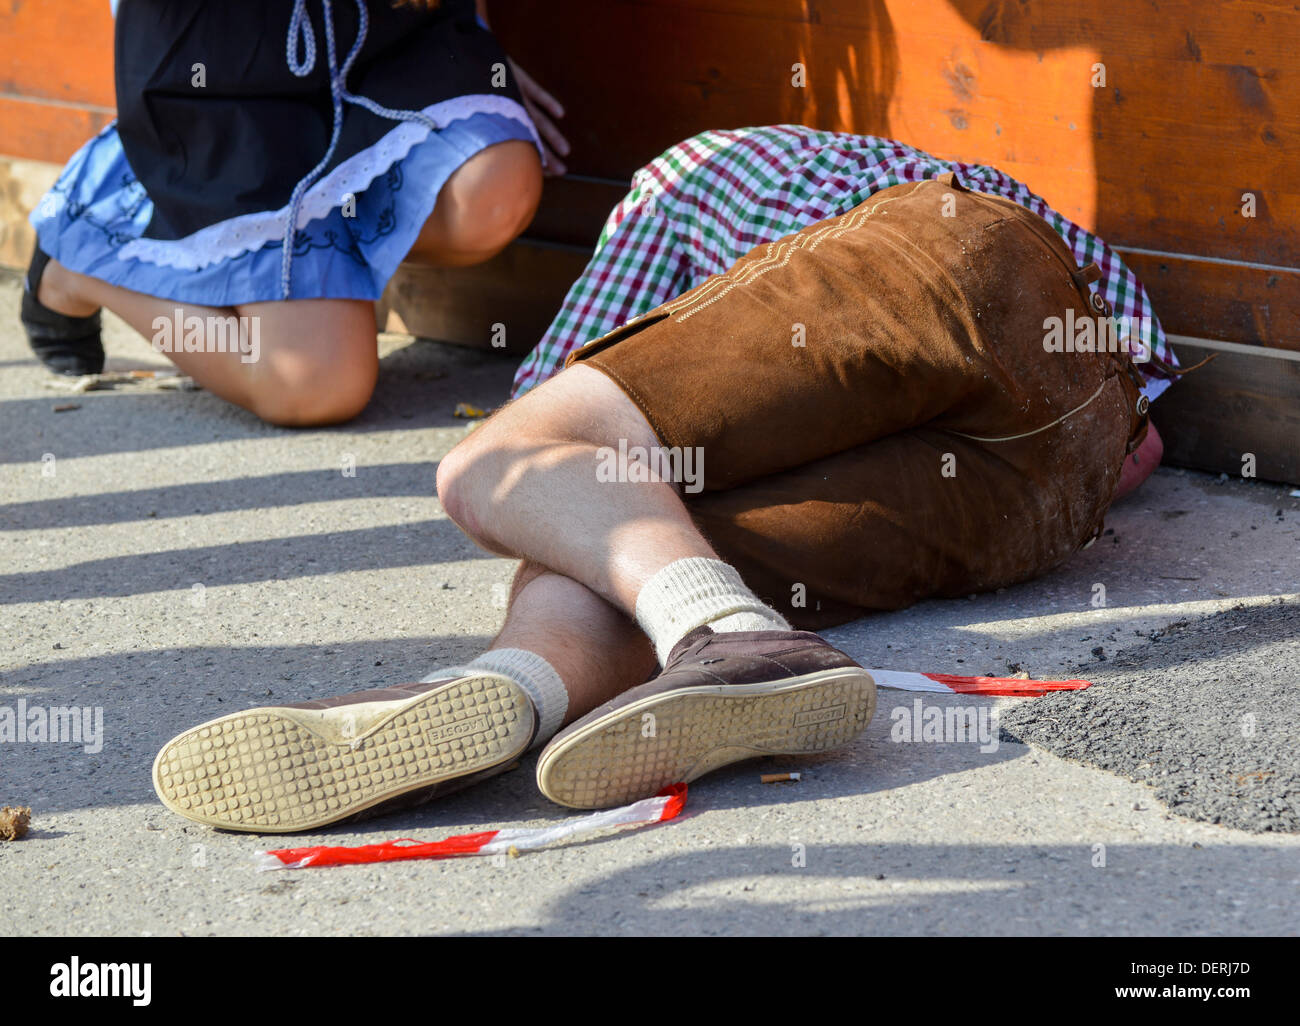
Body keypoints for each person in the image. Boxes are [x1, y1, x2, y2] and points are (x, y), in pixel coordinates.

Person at [151, 127, 1180, 833]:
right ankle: (513, 689)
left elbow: (556, 403)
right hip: (1061, 481)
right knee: (644, 544)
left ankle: (721, 642)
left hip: (957, 261)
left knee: (498, 465)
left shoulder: (699, 170)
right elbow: (1139, 453)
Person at [21, 0, 567, 426]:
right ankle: (81, 265)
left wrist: (477, 46)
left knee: (490, 193)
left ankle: (324, 280)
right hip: (230, 61)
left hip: (385, 33)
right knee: (314, 387)